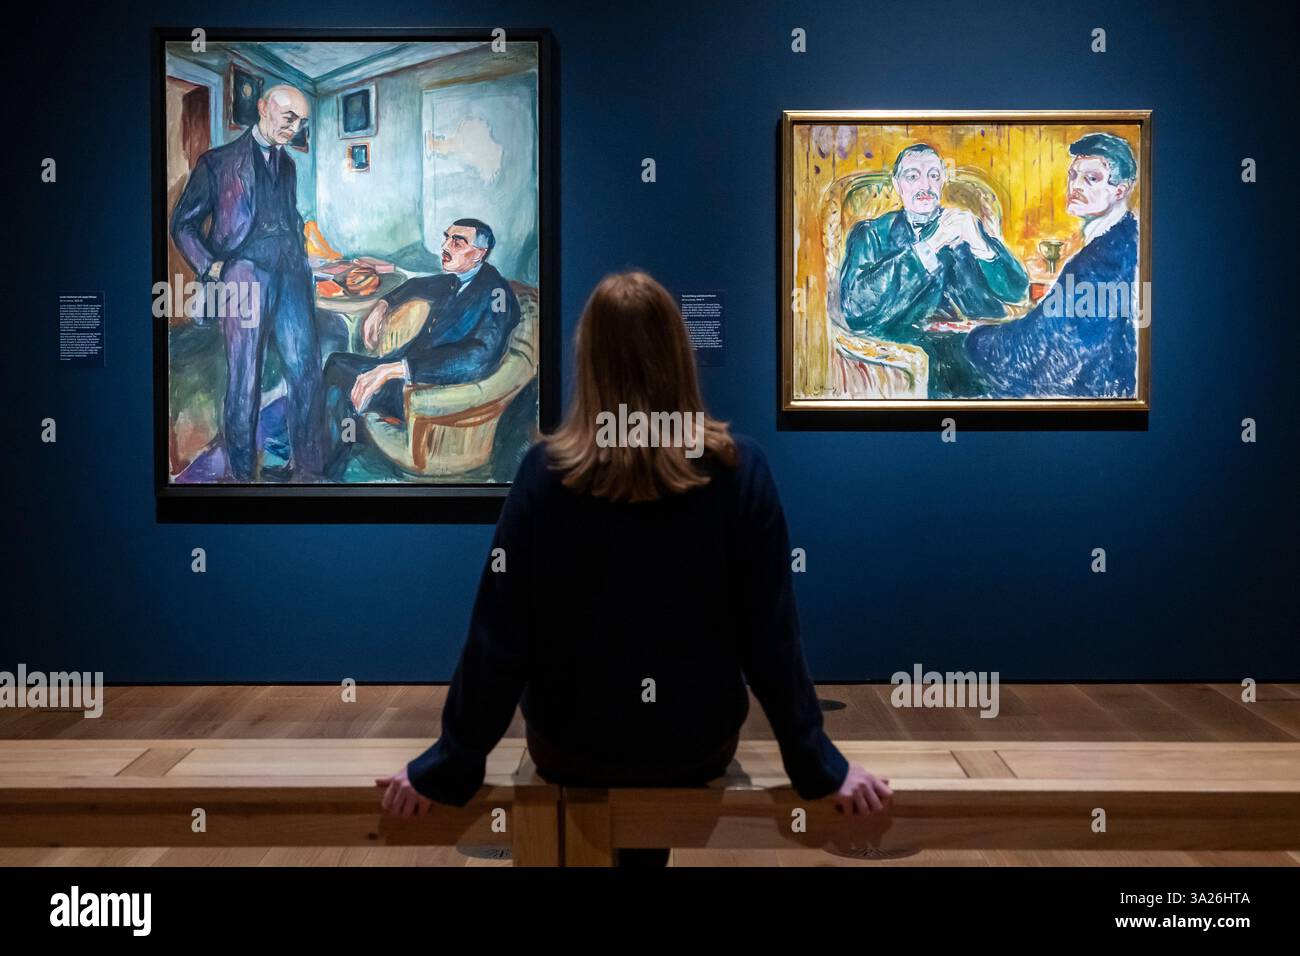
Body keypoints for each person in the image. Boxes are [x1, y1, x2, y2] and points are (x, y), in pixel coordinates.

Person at [376, 270, 894, 866]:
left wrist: (450, 765)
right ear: (679, 355)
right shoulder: (737, 470)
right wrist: (817, 764)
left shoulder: (547, 475)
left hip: (573, 742)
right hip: (694, 743)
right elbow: (771, 639)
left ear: (587, 359)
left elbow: (499, 640)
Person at [170, 84, 325, 481]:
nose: (294, 128)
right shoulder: (217, 163)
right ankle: (242, 478)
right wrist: (212, 266)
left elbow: (287, 216)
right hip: (243, 274)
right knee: (244, 378)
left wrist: (303, 255)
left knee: (306, 370)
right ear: (262, 108)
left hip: (291, 274)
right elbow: (183, 224)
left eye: (301, 122)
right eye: (288, 118)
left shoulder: (287, 164)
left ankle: (307, 473)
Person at [320, 218, 521, 478]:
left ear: (479, 254)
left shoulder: (496, 295)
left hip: (427, 389)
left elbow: (477, 358)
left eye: (457, 242)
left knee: (337, 369)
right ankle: (334, 445)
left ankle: (324, 464)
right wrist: (383, 304)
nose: (445, 246)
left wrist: (395, 370)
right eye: (446, 237)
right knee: (337, 366)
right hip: (406, 376)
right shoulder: (456, 279)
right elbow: (415, 285)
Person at [838, 143, 1028, 398]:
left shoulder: (965, 225)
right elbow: (856, 308)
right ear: (897, 184)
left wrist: (980, 245)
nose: (925, 186)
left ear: (942, 182)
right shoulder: (871, 234)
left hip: (983, 343)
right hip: (925, 352)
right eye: (912, 176)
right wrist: (929, 247)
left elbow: (1017, 291)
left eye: (933, 176)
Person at [964, 132, 1140, 397]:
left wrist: (975, 337)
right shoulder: (1124, 238)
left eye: (1091, 179)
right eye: (1073, 176)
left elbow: (1036, 349)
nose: (1076, 186)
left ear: (1120, 190)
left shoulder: (1101, 262)